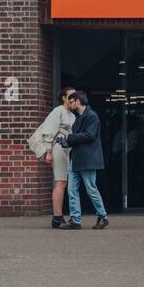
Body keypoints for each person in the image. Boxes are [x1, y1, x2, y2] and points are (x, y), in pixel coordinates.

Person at [56, 90, 108, 230]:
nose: (69, 104)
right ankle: (75, 220)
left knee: (90, 188)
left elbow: (89, 135)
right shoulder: (80, 117)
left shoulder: (91, 116)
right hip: (78, 158)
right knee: (72, 190)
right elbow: (82, 138)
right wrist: (66, 142)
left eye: (71, 102)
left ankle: (102, 216)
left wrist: (69, 138)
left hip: (87, 159)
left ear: (78, 101)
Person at [29, 86, 76, 228]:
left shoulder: (71, 114)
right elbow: (49, 132)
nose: (74, 98)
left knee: (62, 182)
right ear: (63, 98)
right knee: (60, 182)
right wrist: (49, 152)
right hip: (58, 148)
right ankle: (57, 217)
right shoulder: (58, 111)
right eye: (71, 96)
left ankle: (58, 216)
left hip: (65, 149)